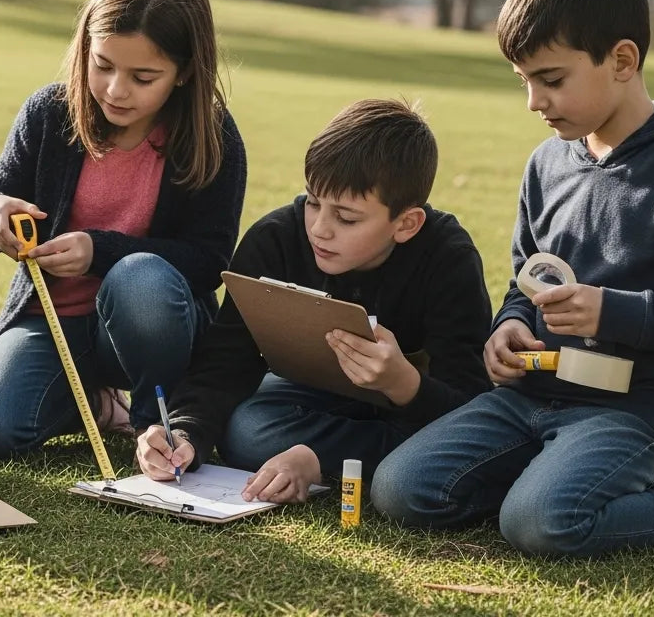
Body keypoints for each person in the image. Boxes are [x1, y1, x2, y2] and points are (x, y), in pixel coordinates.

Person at [374, 0, 654, 557]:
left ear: (623, 60)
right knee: (401, 489)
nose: (534, 102)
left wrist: (615, 312)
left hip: (640, 408)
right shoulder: (547, 164)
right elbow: (524, 281)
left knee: (538, 523)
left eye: (551, 80)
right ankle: (547, 478)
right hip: (530, 395)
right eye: (525, 81)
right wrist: (510, 325)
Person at [0, 0, 246, 457]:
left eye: (143, 77)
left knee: (139, 278)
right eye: (103, 65)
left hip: (155, 323)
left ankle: (153, 421)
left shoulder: (210, 136)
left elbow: (210, 259)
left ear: (185, 72)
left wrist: (99, 251)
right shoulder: (49, 113)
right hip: (55, 320)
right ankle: (91, 401)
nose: (116, 89)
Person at [137, 99, 491, 503]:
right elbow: (225, 362)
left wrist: (403, 383)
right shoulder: (275, 240)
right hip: (301, 398)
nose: (319, 229)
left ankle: (321, 458)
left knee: (432, 449)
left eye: (347, 218)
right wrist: (183, 433)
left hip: (409, 410)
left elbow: (470, 405)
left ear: (406, 224)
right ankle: (335, 454)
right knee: (246, 429)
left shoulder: (447, 257)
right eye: (313, 202)